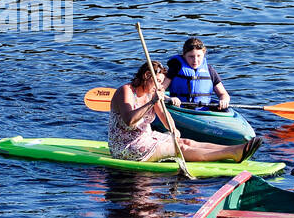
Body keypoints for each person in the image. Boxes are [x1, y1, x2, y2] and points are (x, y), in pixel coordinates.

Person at [109, 61, 260, 164]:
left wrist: (173, 129)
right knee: (181, 149)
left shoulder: (152, 93)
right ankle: (232, 154)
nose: (160, 85)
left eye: (161, 82)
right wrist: (152, 102)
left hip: (147, 137)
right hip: (126, 147)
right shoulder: (126, 91)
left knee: (185, 141)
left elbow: (164, 117)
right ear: (147, 76)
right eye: (157, 81)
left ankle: (234, 149)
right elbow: (130, 120)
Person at [165, 37, 230, 110]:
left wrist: (224, 100)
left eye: (199, 56)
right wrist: (168, 99)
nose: (195, 60)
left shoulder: (209, 70)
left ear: (204, 54)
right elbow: (159, 92)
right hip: (179, 108)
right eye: (191, 56)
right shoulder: (175, 68)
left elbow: (223, 94)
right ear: (184, 56)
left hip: (204, 111)